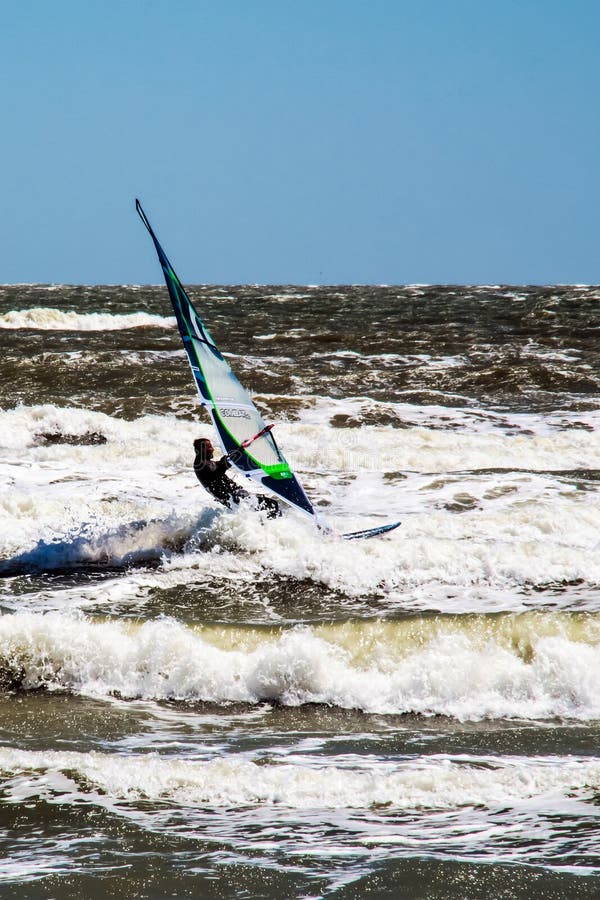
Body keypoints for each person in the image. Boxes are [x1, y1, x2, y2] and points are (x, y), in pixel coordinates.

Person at [193, 438, 280, 518]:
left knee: (263, 510)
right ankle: (273, 528)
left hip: (236, 498)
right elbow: (217, 471)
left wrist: (238, 451)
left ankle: (265, 528)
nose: (213, 449)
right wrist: (236, 454)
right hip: (235, 499)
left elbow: (220, 464)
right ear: (203, 449)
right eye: (210, 447)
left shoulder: (204, 463)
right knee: (272, 504)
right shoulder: (201, 465)